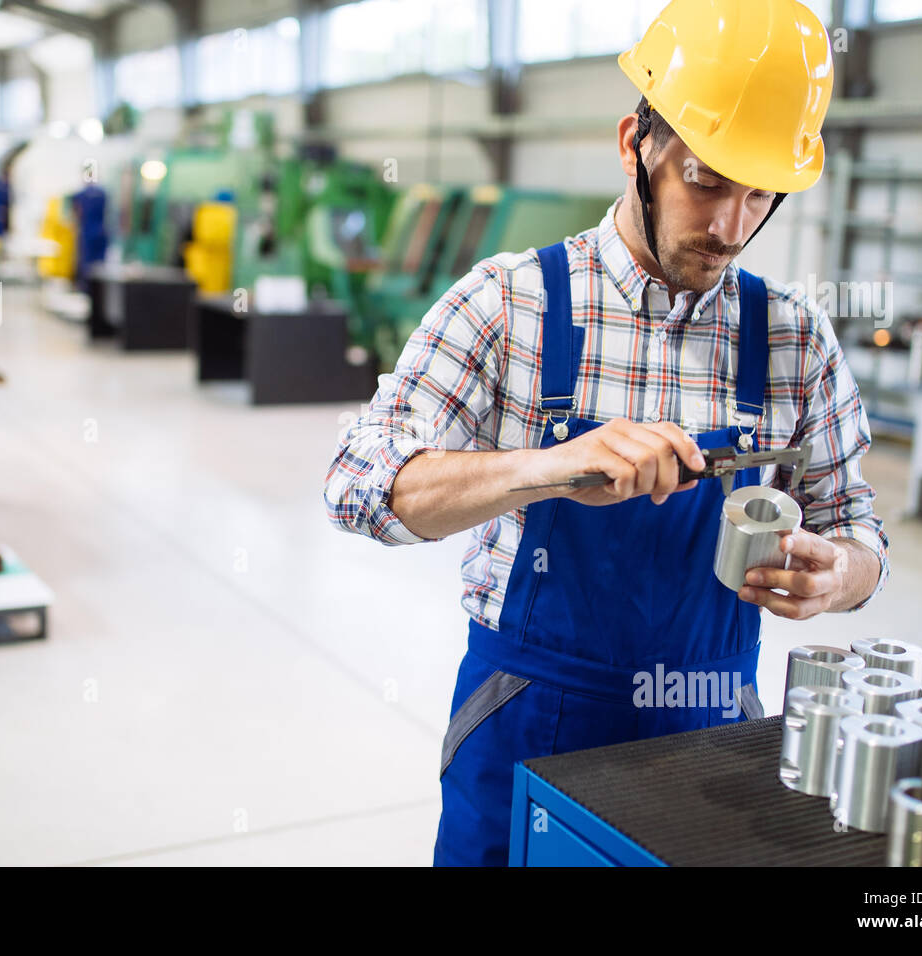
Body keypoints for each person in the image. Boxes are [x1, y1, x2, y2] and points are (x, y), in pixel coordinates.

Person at [323, 0, 889, 866]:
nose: (730, 226)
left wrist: (839, 574)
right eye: (706, 179)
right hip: (528, 722)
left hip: (711, 730)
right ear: (636, 144)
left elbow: (858, 532)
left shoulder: (793, 341)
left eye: (759, 195)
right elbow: (358, 487)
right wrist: (545, 467)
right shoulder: (509, 303)